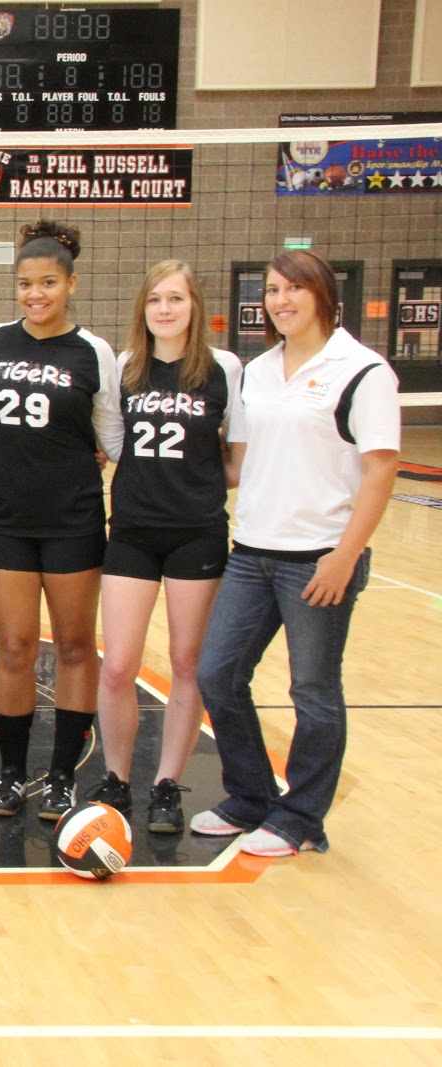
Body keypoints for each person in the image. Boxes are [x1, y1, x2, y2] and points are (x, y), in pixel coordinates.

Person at [192, 249, 400, 857]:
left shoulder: (363, 370)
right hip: (251, 552)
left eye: (293, 289)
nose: (280, 300)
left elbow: (381, 469)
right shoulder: (257, 371)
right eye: (273, 291)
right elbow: (242, 465)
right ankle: (250, 797)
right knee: (218, 675)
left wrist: (344, 555)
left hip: (319, 558)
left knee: (312, 690)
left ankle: (302, 817)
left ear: (323, 295)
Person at [0, 220, 123, 821]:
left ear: (71, 284)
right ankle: (12, 774)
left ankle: (61, 776)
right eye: (25, 284)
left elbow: (110, 433)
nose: (35, 294)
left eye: (48, 283)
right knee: (12, 648)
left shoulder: (94, 352)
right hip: (8, 516)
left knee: (73, 645)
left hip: (73, 518)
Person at [91, 261, 242, 831]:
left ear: (194, 306)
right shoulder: (127, 367)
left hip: (197, 531)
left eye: (175, 298)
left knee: (186, 663)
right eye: (155, 299)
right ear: (143, 309)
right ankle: (116, 778)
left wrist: (195, 479)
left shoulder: (224, 368)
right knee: (119, 665)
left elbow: (237, 461)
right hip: (132, 528)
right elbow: (112, 438)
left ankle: (166, 785)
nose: (164, 309)